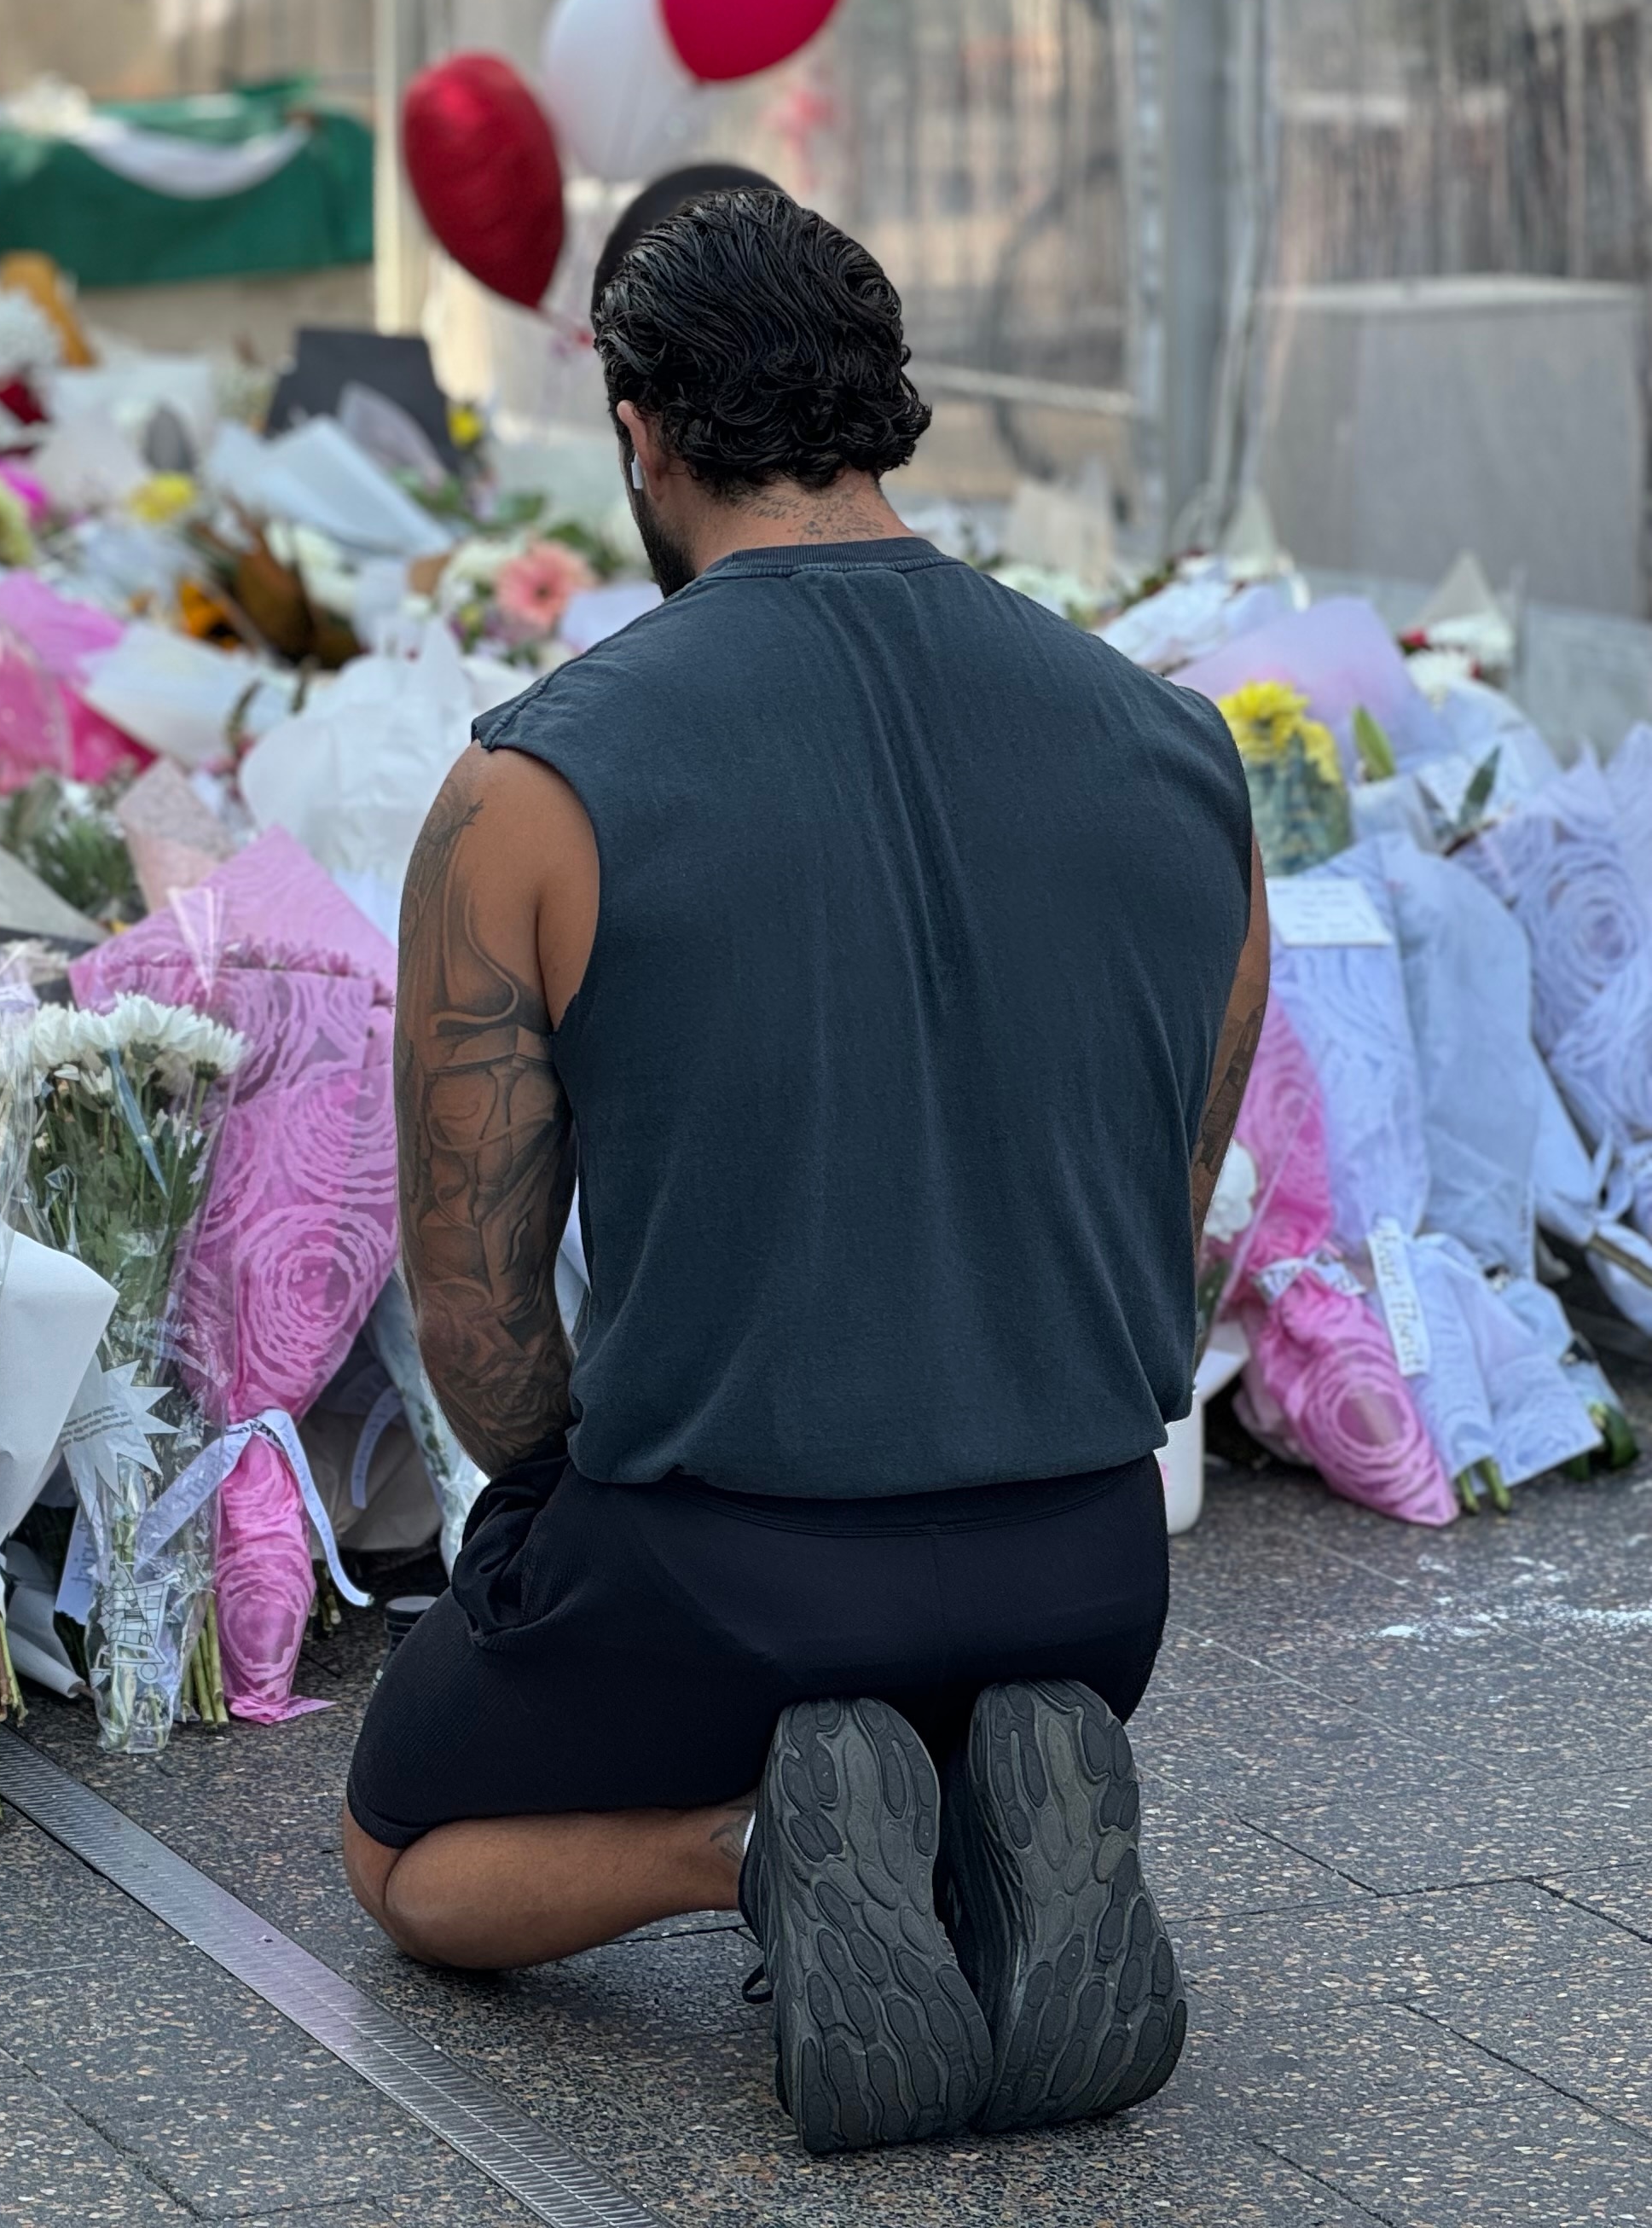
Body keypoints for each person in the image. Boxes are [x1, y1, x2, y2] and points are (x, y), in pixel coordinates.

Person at [343, 189, 1267, 2158]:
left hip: (730, 1568)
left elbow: (479, 1323)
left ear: (644, 435)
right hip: (1094, 1570)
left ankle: (756, 1844)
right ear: (892, 407)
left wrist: (566, 1526)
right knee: (944, 1653)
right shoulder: (1180, 757)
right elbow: (1159, 1228)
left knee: (401, 1848)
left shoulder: (533, 785)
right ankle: (977, 1775)